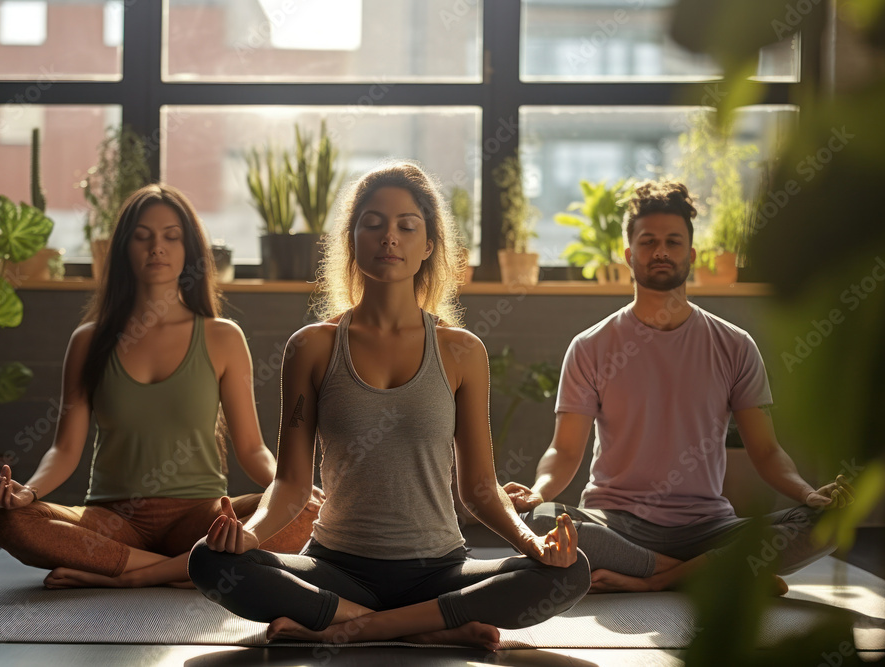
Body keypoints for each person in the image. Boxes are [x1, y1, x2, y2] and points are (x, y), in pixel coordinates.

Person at [188, 161, 603, 651]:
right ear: (352, 239)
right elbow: (292, 484)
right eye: (374, 223)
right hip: (335, 568)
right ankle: (426, 629)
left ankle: (350, 628)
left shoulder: (462, 351)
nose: (390, 237)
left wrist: (531, 544)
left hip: (439, 570)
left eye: (407, 226)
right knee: (210, 561)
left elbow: (479, 487)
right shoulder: (312, 348)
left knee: (569, 572)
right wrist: (251, 537)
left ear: (428, 246)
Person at [505, 180, 854, 593]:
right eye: (648, 241)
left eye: (673, 241)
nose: (660, 251)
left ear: (690, 254)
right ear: (628, 253)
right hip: (615, 522)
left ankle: (655, 579)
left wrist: (808, 494)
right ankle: (713, 573)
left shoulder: (734, 345)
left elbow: (765, 451)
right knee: (540, 519)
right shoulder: (590, 346)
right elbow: (564, 451)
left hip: (709, 527)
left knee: (829, 523)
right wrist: (536, 491)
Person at [0, 183, 319, 589]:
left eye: (171, 237)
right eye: (143, 237)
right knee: (10, 521)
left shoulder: (222, 337)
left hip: (201, 519)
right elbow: (65, 449)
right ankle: (188, 568)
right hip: (112, 521)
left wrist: (290, 489)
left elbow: (252, 450)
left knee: (308, 511)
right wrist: (29, 493)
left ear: (189, 251)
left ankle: (130, 574)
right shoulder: (89, 340)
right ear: (125, 249)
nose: (156, 247)